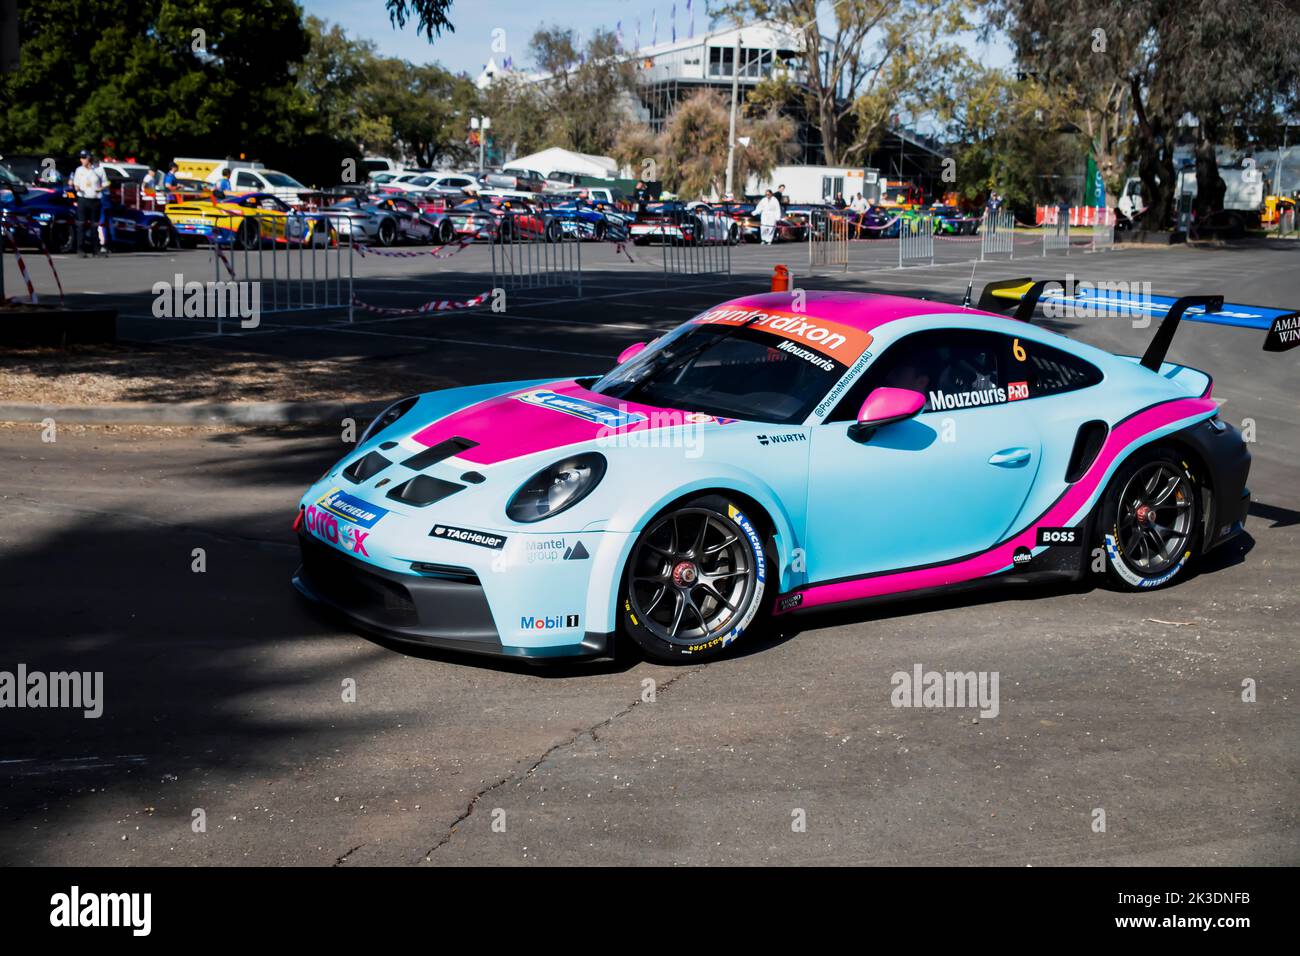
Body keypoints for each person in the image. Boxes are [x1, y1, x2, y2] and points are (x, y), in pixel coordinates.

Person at [71, 150, 108, 257]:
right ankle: (80, 250)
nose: (81, 160)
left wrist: (100, 188)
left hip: (95, 200)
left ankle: (96, 250)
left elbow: (105, 182)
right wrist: (77, 187)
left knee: (94, 226)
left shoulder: (99, 170)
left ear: (89, 159)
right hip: (83, 199)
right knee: (81, 225)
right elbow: (76, 183)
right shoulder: (79, 170)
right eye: (81, 158)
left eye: (84, 158)